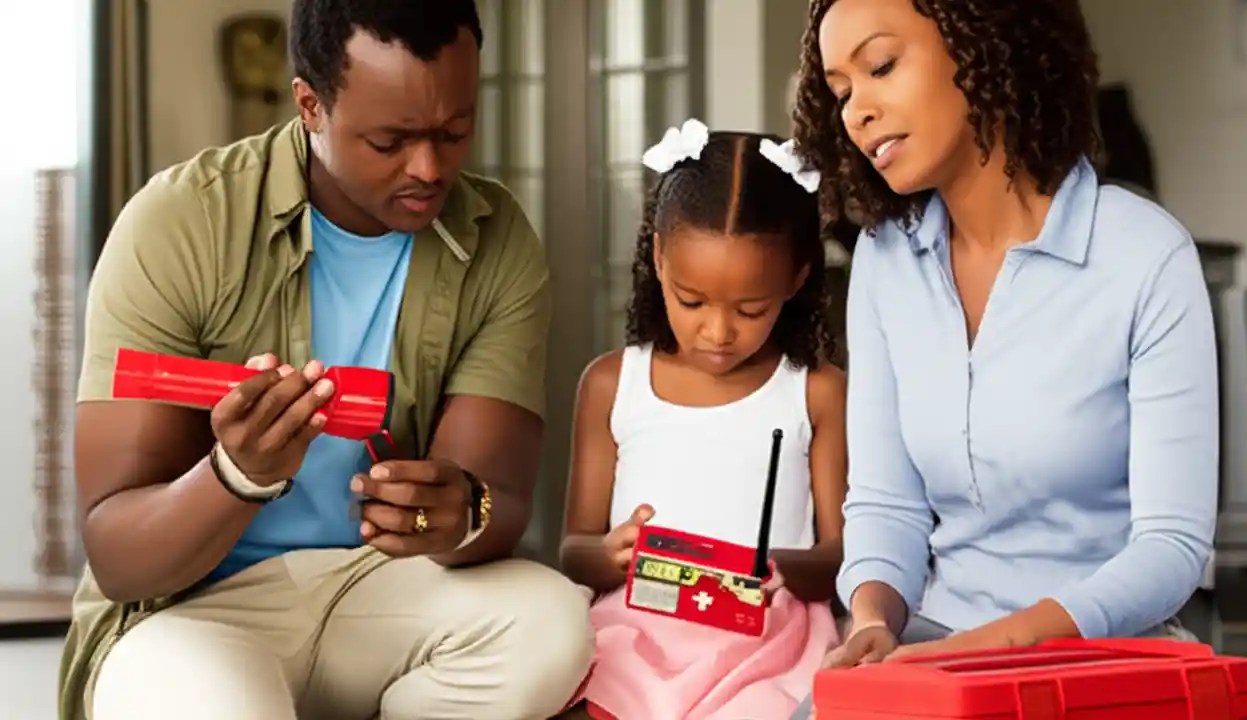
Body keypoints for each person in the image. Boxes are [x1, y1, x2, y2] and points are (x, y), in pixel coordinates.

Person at [60, 2, 592, 719]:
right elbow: (120, 558)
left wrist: (460, 512)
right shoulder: (182, 222)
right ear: (310, 105)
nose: (429, 168)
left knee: (551, 622)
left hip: (381, 588)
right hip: (193, 612)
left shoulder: (495, 240)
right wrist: (236, 475)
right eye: (390, 140)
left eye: (454, 130)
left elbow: (497, 501)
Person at [789, 0, 1218, 697]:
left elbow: (1171, 548)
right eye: (841, 92)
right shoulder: (885, 260)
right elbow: (886, 504)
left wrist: (997, 644)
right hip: (933, 649)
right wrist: (873, 616)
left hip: (1102, 658)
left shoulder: (1145, 254)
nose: (855, 111)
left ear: (983, 44)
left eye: (881, 66)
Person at [558, 119, 847, 720]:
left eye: (750, 309)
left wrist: (775, 569)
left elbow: (842, 556)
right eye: (692, 301)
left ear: (796, 278)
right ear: (658, 258)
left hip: (765, 646)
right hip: (635, 640)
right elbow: (573, 550)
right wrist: (611, 552)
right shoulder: (613, 385)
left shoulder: (816, 392)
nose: (717, 332)